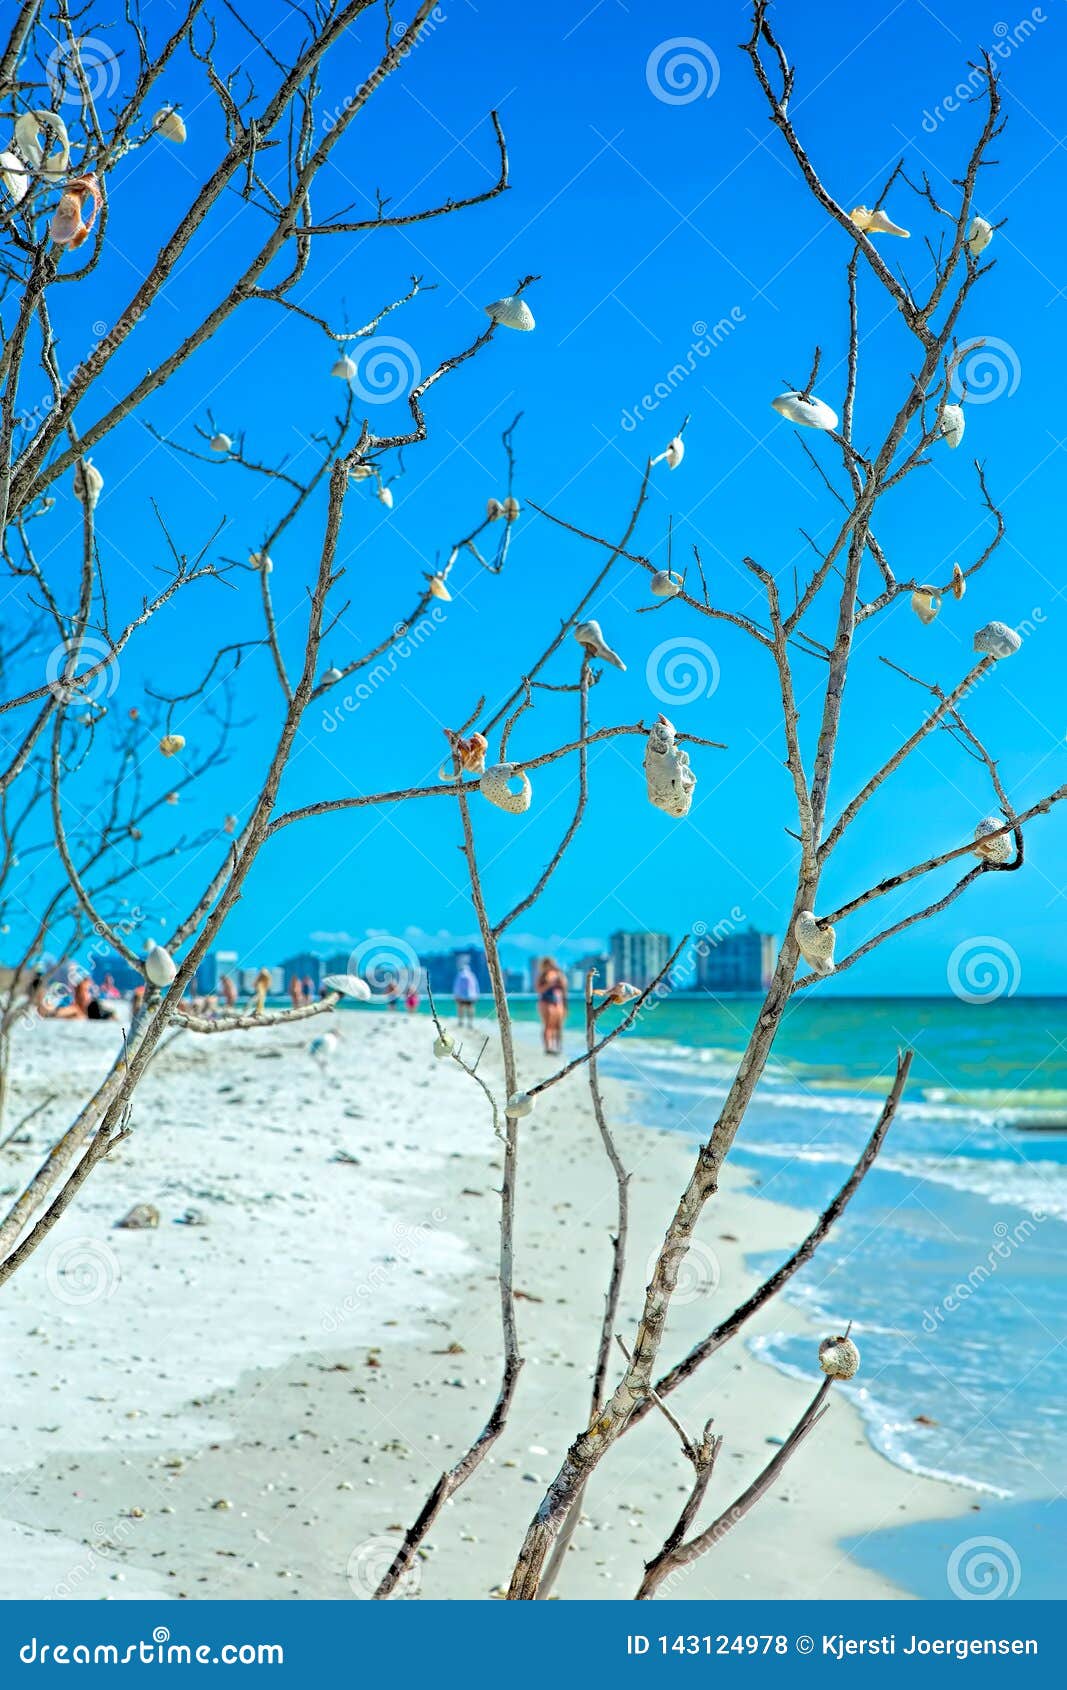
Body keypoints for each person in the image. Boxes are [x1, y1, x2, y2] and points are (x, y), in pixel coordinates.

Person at [535, 956, 567, 1055]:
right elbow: (539, 990)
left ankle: (558, 1047)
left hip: (558, 1002)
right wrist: (550, 983)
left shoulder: (558, 974)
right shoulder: (542, 976)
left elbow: (564, 987)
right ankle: (548, 1047)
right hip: (546, 1002)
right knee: (548, 1025)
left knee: (558, 1026)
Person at [48, 978, 115, 1021]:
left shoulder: (94, 1007)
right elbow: (55, 1014)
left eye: (88, 991)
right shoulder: (73, 1008)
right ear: (76, 993)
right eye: (83, 990)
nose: (84, 994)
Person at [452, 957, 479, 1028]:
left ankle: (461, 1022)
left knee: (460, 1009)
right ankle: (470, 1023)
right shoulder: (472, 975)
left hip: (461, 996)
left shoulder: (460, 975)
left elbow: (456, 987)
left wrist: (456, 996)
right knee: (470, 1009)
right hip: (471, 996)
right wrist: (476, 995)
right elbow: (476, 986)